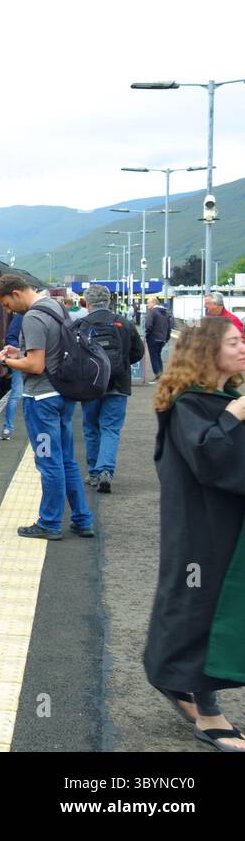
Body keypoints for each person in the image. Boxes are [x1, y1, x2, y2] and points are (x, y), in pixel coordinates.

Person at [145, 316, 245, 751]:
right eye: (234, 342)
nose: (243, 348)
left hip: (226, 521)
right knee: (200, 606)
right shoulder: (191, 404)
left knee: (205, 604)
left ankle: (169, 675)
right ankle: (208, 713)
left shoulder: (224, 396)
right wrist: (236, 413)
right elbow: (210, 459)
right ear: (207, 350)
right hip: (200, 526)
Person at [0, 273, 94, 540]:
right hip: (62, 396)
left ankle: (49, 523)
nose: (9, 311)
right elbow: (47, 354)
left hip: (42, 402)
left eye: (8, 305)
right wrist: (17, 353)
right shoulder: (55, 307)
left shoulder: (32, 316)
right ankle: (82, 519)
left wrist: (5, 360)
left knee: (48, 462)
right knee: (67, 460)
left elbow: (36, 365)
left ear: (16, 294)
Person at [78, 284, 143, 493]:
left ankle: (94, 472)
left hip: (91, 386)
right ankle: (106, 469)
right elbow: (138, 352)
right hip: (118, 384)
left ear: (87, 303)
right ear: (108, 301)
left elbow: (72, 357)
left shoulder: (81, 325)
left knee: (91, 428)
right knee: (110, 428)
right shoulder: (123, 323)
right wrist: (121, 365)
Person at [0, 312, 24, 441]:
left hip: (40, 361)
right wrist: (21, 351)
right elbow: (11, 337)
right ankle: (7, 427)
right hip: (22, 360)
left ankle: (8, 428)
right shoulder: (22, 315)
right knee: (16, 393)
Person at [145, 297, 172, 378]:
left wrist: (147, 335)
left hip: (153, 338)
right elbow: (169, 327)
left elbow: (148, 325)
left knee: (154, 357)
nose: (147, 305)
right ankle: (161, 374)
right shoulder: (166, 312)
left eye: (148, 302)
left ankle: (158, 375)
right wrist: (166, 338)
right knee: (158, 356)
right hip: (162, 338)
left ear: (154, 303)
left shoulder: (152, 312)